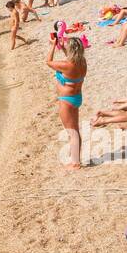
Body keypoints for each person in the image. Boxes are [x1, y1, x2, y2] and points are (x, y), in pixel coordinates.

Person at [47, 36, 86, 169]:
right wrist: (62, 47)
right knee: (74, 130)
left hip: (66, 100)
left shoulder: (66, 65)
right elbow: (70, 58)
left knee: (71, 132)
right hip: (76, 98)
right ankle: (75, 158)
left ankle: (75, 163)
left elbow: (48, 62)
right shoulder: (82, 63)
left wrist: (53, 45)